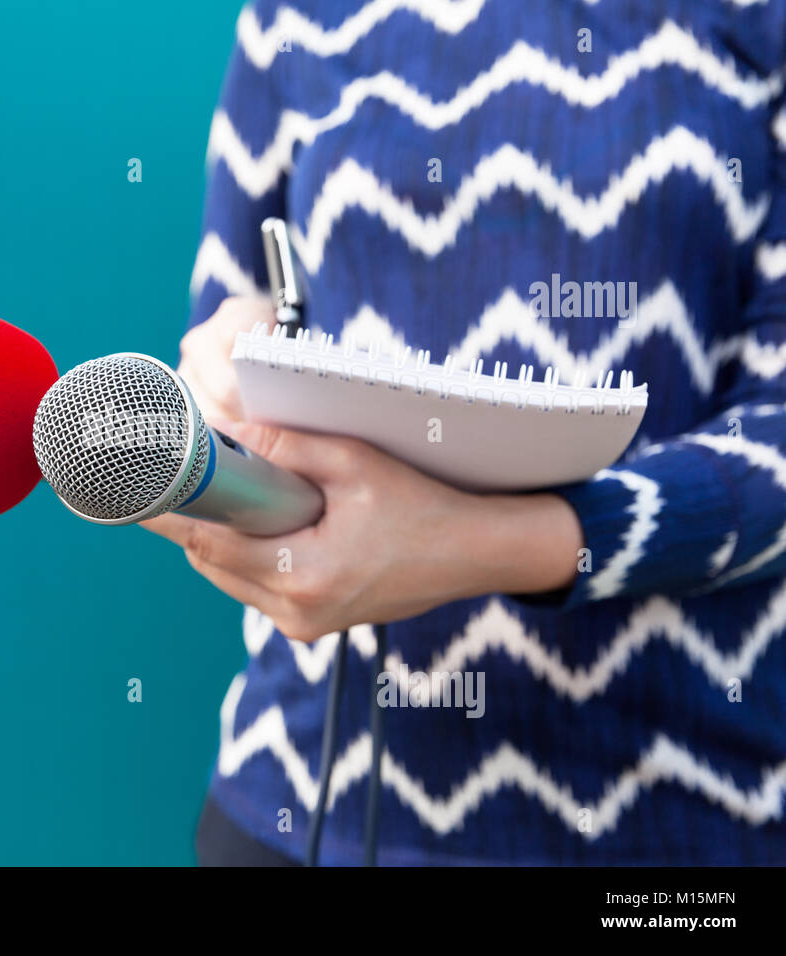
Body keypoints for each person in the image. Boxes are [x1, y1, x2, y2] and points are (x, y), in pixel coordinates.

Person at [144, 0, 786, 864]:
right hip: (303, 799)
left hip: (680, 823)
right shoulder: (289, 18)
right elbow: (237, 295)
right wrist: (230, 365)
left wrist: (478, 545)